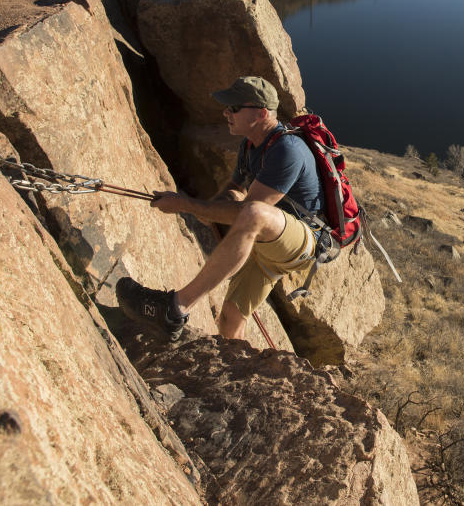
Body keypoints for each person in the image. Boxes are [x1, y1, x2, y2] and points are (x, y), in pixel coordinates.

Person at [116, 76, 323, 341]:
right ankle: (242, 372)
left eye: (234, 108)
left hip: (303, 242)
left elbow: (248, 211)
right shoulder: (250, 144)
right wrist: (212, 207)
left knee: (253, 213)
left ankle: (174, 309)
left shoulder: (287, 150)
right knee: (229, 319)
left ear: (261, 113)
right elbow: (232, 191)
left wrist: (186, 206)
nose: (226, 112)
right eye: (227, 107)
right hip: (268, 244)